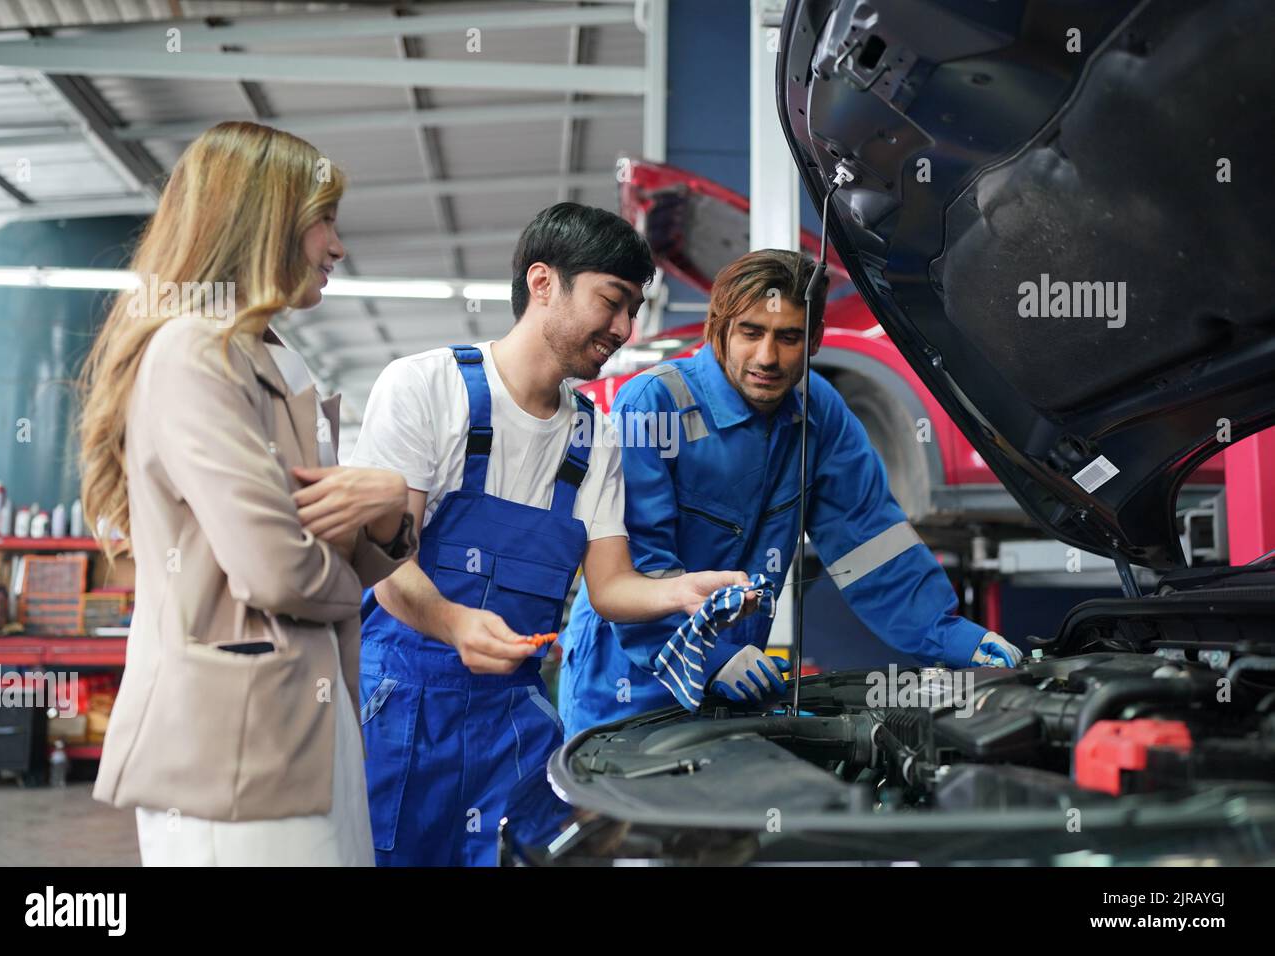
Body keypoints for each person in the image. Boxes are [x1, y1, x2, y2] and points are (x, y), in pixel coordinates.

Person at [351, 202, 752, 866]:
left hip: (513, 724)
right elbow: (385, 565)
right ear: (543, 284)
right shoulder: (425, 388)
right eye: (612, 302)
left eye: (633, 310)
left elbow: (612, 585)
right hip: (401, 711)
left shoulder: (593, 438)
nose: (624, 328)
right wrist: (454, 624)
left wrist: (681, 592)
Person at [79, 121, 415, 866]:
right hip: (235, 749)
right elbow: (277, 572)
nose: (337, 245)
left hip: (305, 725)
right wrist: (338, 564)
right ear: (261, 221)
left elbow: (312, 560)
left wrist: (389, 512)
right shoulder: (192, 356)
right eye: (322, 220)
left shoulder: (273, 360)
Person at [558, 249, 1021, 738]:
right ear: (719, 328)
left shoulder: (820, 413)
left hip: (735, 685)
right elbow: (636, 564)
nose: (767, 358)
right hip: (625, 689)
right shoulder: (655, 403)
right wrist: (711, 655)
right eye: (751, 333)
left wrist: (953, 637)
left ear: (816, 339)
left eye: (789, 337)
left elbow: (873, 546)